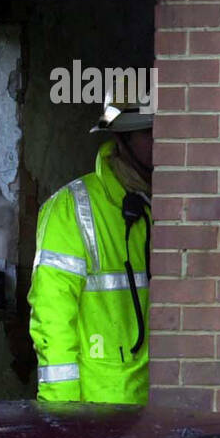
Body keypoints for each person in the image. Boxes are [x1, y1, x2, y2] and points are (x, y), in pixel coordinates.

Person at [28, 101, 153, 402]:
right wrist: (64, 416)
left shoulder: (166, 204)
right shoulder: (70, 209)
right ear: (121, 139)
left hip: (155, 407)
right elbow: (53, 320)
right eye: (148, 133)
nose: (161, 144)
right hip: (96, 412)